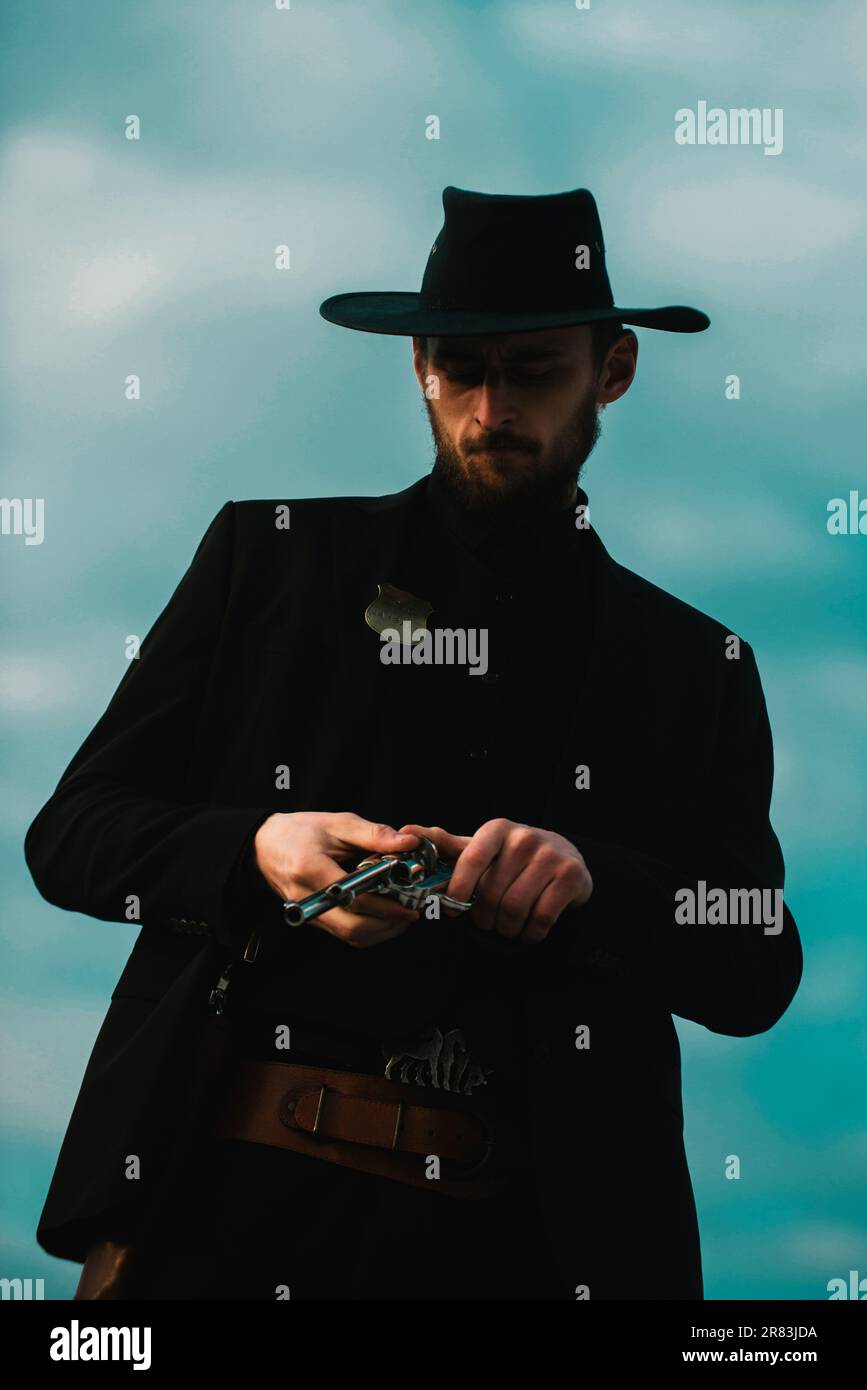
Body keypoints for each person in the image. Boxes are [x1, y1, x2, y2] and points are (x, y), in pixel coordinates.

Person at [25, 186, 802, 1301]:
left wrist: (594, 886)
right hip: (219, 1219)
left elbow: (757, 956)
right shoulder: (269, 560)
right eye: (456, 368)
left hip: (544, 1254)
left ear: (614, 370)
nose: (489, 410)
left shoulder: (695, 664)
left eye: (533, 370)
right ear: (419, 367)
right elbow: (73, 835)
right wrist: (258, 849)